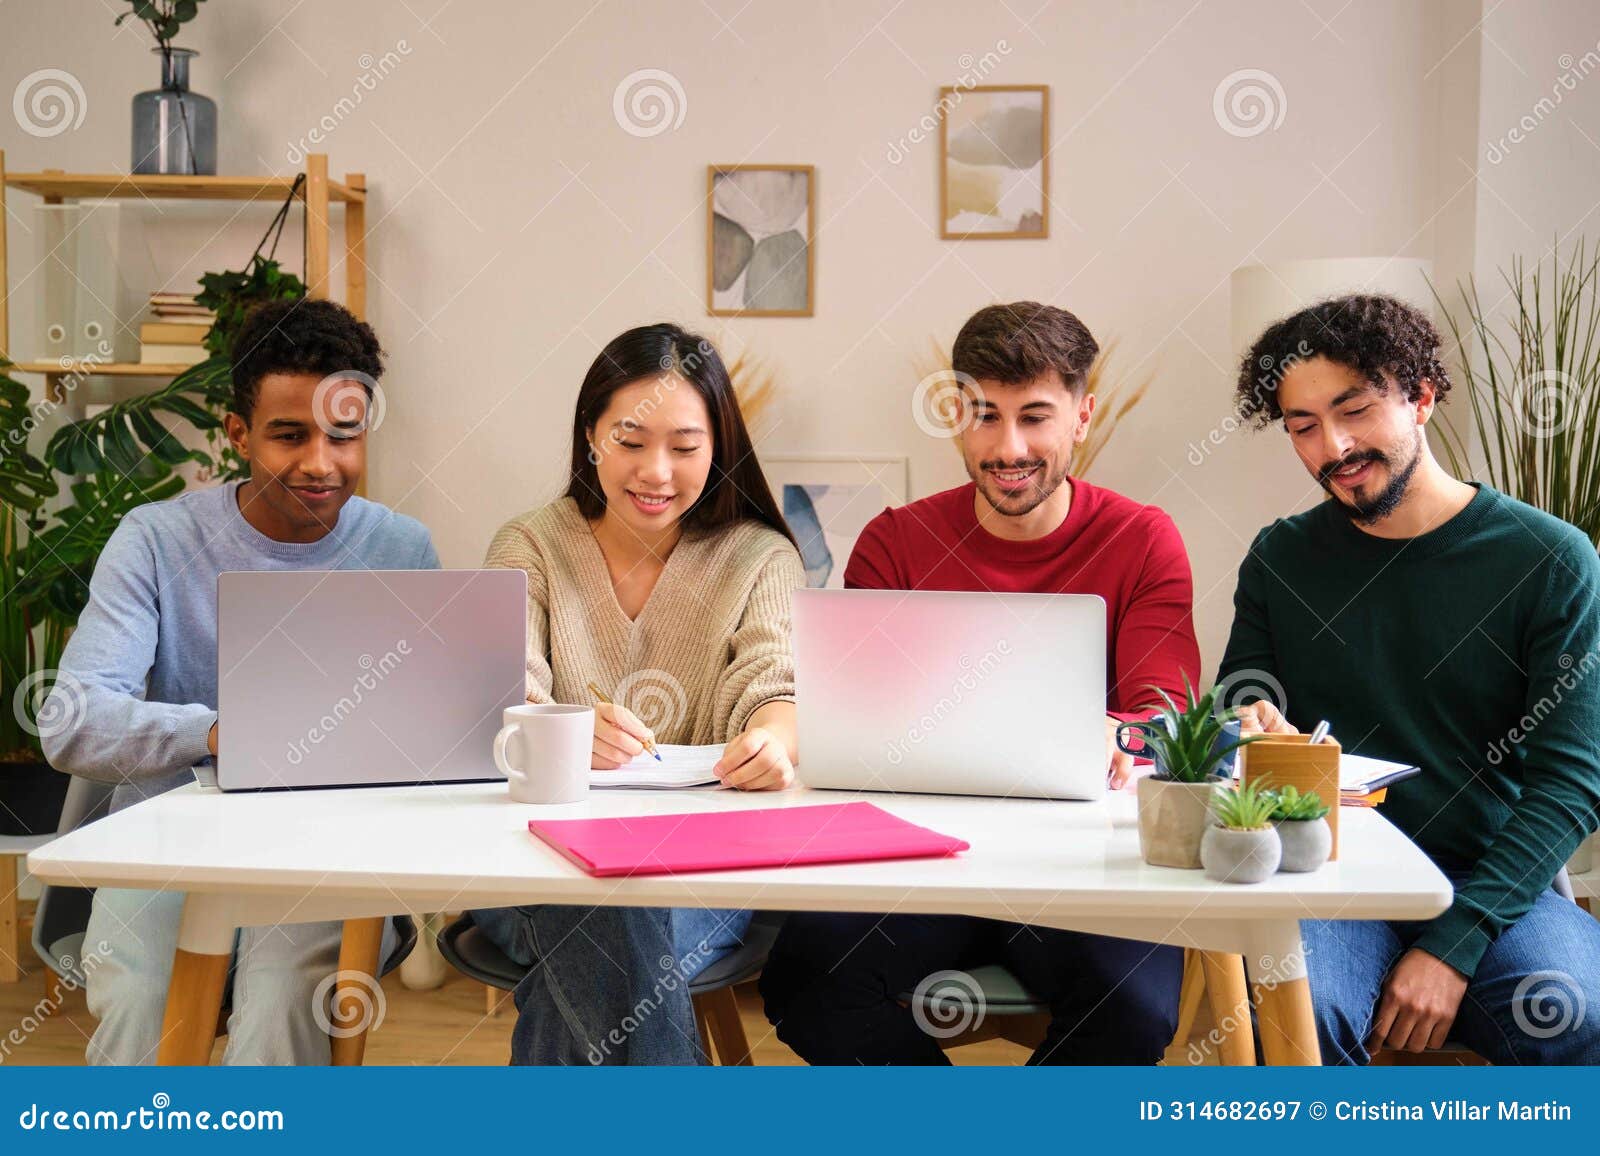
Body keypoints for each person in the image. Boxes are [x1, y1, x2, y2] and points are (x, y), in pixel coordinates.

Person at [759, 301, 1200, 1064]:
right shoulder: (896, 543)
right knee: (805, 978)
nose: (1009, 446)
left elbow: (1162, 716)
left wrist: (1119, 733)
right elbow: (852, 718)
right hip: (922, 862)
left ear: (1083, 416)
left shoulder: (1142, 538)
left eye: (1035, 417)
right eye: (984, 416)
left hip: (1078, 869)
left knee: (1132, 1005)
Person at [42, 298, 438, 1065]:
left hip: (330, 848)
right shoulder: (157, 542)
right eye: (290, 435)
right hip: (169, 837)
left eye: (343, 436)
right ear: (239, 434)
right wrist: (220, 734)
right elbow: (72, 719)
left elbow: (428, 734)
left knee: (284, 1006)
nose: (320, 462)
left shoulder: (401, 548)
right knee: (140, 1008)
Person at [1219, 293, 1600, 1064]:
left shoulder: (1550, 560)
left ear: (1420, 396)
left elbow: (1572, 783)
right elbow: (1237, 695)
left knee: (1570, 1012)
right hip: (1326, 870)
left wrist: (1455, 945)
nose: (1333, 446)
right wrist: (1250, 716)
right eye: (1302, 427)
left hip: (1488, 879)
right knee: (1293, 1018)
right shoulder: (1279, 558)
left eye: (1354, 410)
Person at [471, 323, 805, 1065]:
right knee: (597, 909)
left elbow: (774, 687)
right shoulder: (528, 544)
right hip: (530, 863)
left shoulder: (760, 556)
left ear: (719, 447)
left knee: (590, 944)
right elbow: (503, 698)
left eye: (685, 448)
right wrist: (558, 730)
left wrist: (772, 743)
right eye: (630, 440)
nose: (657, 471)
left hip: (699, 868)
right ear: (590, 435)